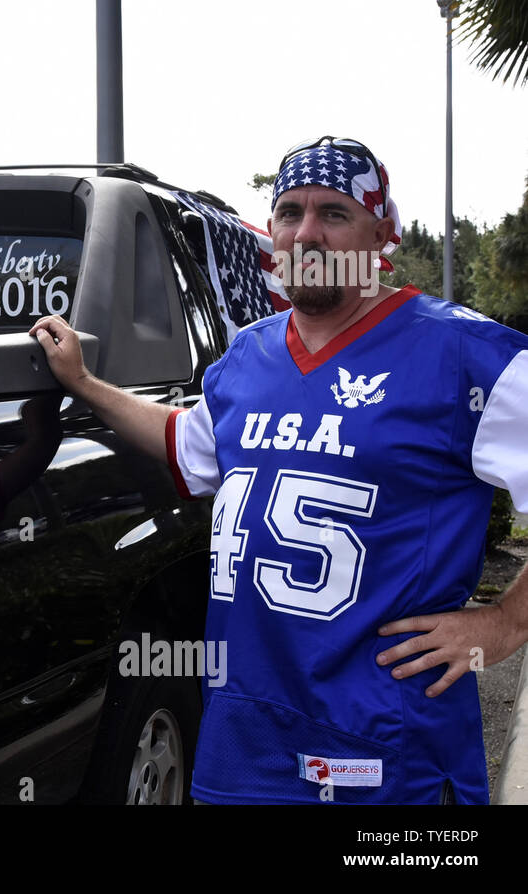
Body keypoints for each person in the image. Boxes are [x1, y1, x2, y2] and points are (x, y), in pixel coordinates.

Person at [30, 136, 528, 804]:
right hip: (243, 750)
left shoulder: (463, 353)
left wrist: (505, 623)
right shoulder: (248, 355)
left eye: (334, 213)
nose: (307, 232)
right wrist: (87, 385)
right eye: (290, 212)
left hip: (384, 756)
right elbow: (189, 444)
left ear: (381, 234)